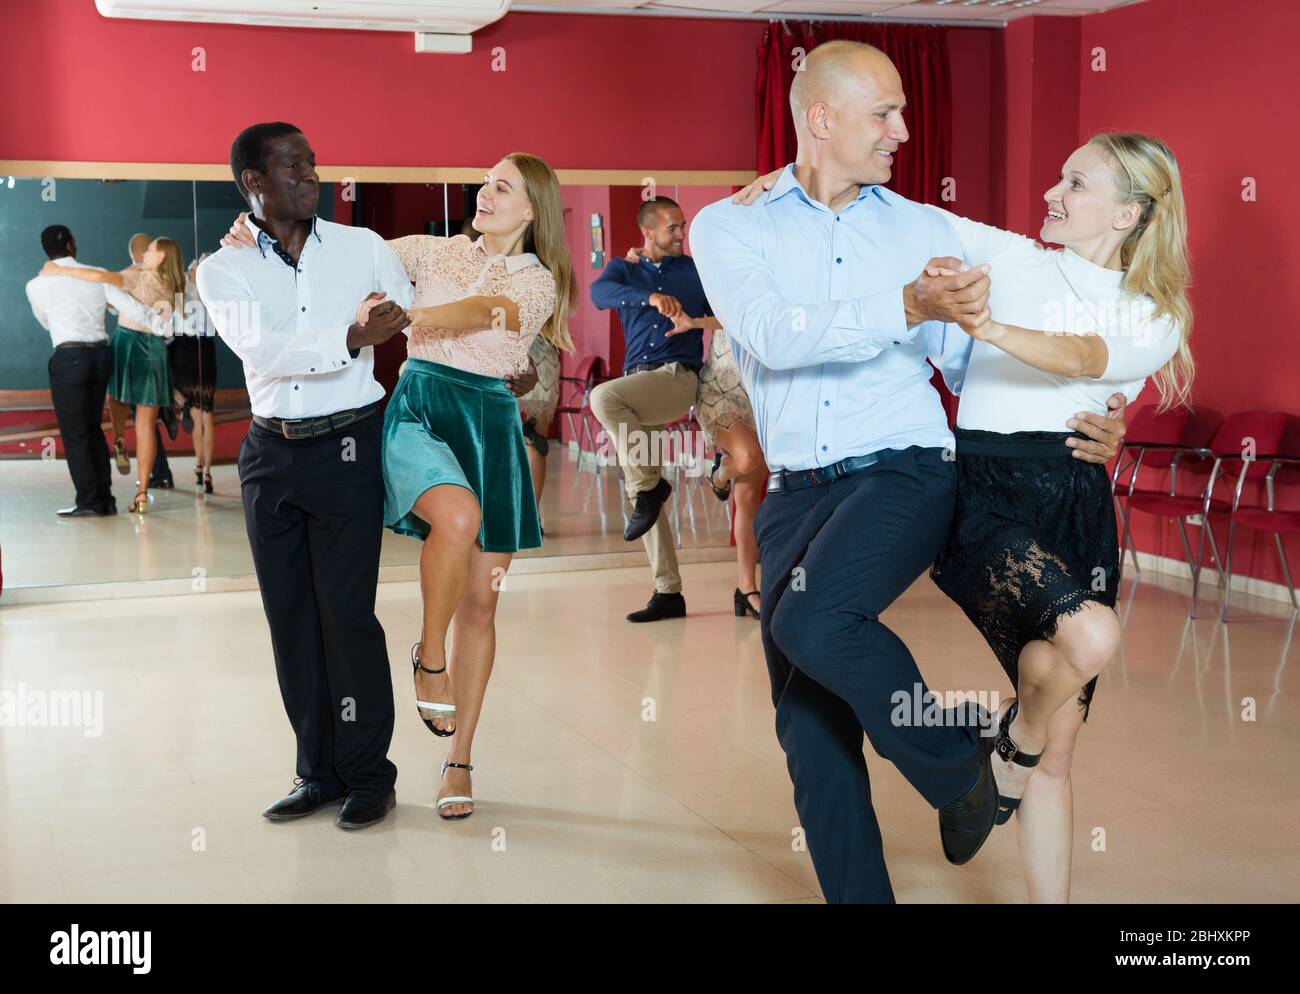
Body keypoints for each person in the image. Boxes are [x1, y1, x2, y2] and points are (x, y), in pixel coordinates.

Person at [690, 40, 1128, 903]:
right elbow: (773, 335)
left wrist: (1101, 413)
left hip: (907, 471)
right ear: (822, 118)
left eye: (901, 110)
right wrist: (902, 306)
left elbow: (981, 359)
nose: (902, 128)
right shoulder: (731, 224)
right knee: (807, 726)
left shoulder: (927, 229)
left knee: (814, 623)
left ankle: (960, 763)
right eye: (883, 112)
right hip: (793, 492)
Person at [219, 148, 558, 822]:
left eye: (501, 188)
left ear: (532, 209)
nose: (484, 194)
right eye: (483, 181)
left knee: (483, 608)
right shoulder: (427, 252)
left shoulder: (538, 283)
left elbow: (484, 314)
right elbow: (341, 251)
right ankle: (429, 655)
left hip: (489, 421)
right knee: (456, 518)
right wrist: (259, 224)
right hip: (419, 409)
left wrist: (399, 321)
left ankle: (458, 760)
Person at [198, 121, 415, 830]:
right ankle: (314, 772)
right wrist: (352, 336)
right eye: (292, 165)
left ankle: (367, 776)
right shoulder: (222, 268)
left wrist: (391, 320)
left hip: (348, 444)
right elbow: (261, 349)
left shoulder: (363, 248)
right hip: (269, 456)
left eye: (313, 161)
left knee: (346, 616)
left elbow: (412, 307)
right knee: (290, 619)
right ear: (253, 183)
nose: (311, 174)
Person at [622, 245, 768, 618]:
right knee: (748, 459)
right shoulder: (718, 282)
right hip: (722, 394)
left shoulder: (778, 288)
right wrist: (642, 260)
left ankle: (746, 587)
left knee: (749, 498)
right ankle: (719, 474)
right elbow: (733, 319)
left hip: (763, 400)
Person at [589, 197, 710, 622]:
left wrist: (695, 323)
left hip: (677, 378)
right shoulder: (625, 270)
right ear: (648, 232)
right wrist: (650, 297)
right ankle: (668, 592)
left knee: (602, 397)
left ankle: (649, 490)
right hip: (639, 386)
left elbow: (728, 317)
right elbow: (598, 294)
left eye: (682, 226)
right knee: (640, 492)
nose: (681, 234)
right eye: (673, 228)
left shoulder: (695, 270)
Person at [41, 237, 186, 514]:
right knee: (145, 424)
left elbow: (100, 278)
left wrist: (60, 270)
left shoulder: (141, 278)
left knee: (117, 399)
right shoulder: (169, 283)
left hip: (128, 342)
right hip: (154, 348)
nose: (146, 253)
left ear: (161, 258)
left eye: (152, 250)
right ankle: (141, 492)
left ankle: (119, 438)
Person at [26, 225, 116, 517]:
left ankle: (89, 502)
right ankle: (106, 499)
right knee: (93, 429)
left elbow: (46, 323)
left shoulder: (36, 285)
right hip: (101, 355)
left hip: (69, 357)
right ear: (72, 244)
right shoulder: (97, 273)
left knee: (76, 434)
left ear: (45, 250)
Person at [174, 253, 218, 493]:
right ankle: (202, 466)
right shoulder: (185, 289)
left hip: (196, 348)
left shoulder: (204, 291)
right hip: (194, 349)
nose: (191, 269)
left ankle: (203, 467)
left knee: (203, 413)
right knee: (200, 412)